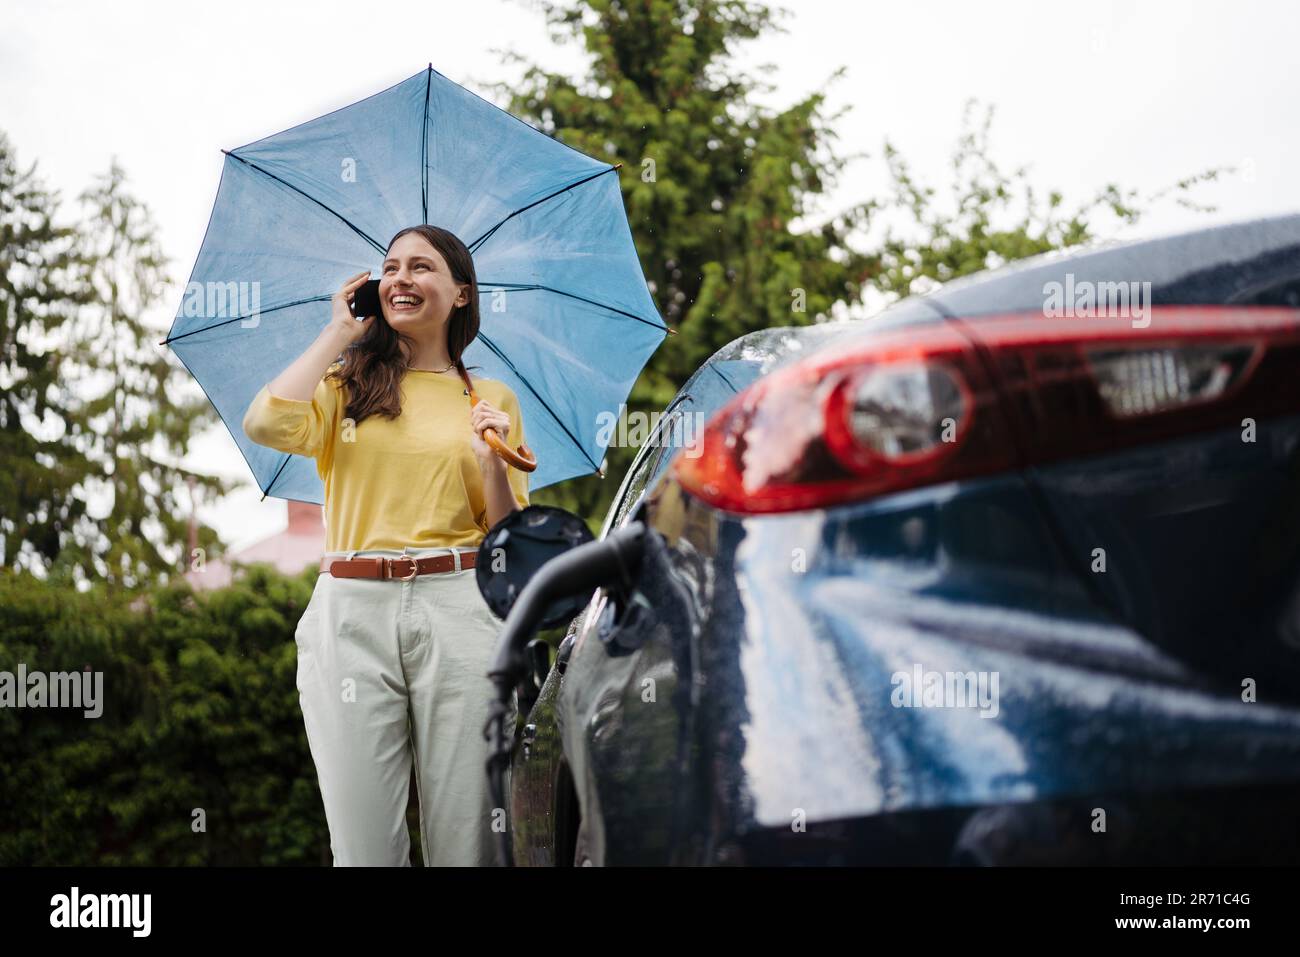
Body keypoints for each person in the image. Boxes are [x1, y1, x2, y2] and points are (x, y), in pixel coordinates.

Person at [242, 224, 527, 866]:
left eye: (422, 267)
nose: (401, 278)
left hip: (461, 608)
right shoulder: (345, 385)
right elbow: (266, 420)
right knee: (364, 848)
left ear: (460, 293)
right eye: (391, 267)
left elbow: (505, 539)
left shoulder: (491, 399)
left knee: (469, 842)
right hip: (351, 608)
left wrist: (491, 461)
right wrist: (339, 331)